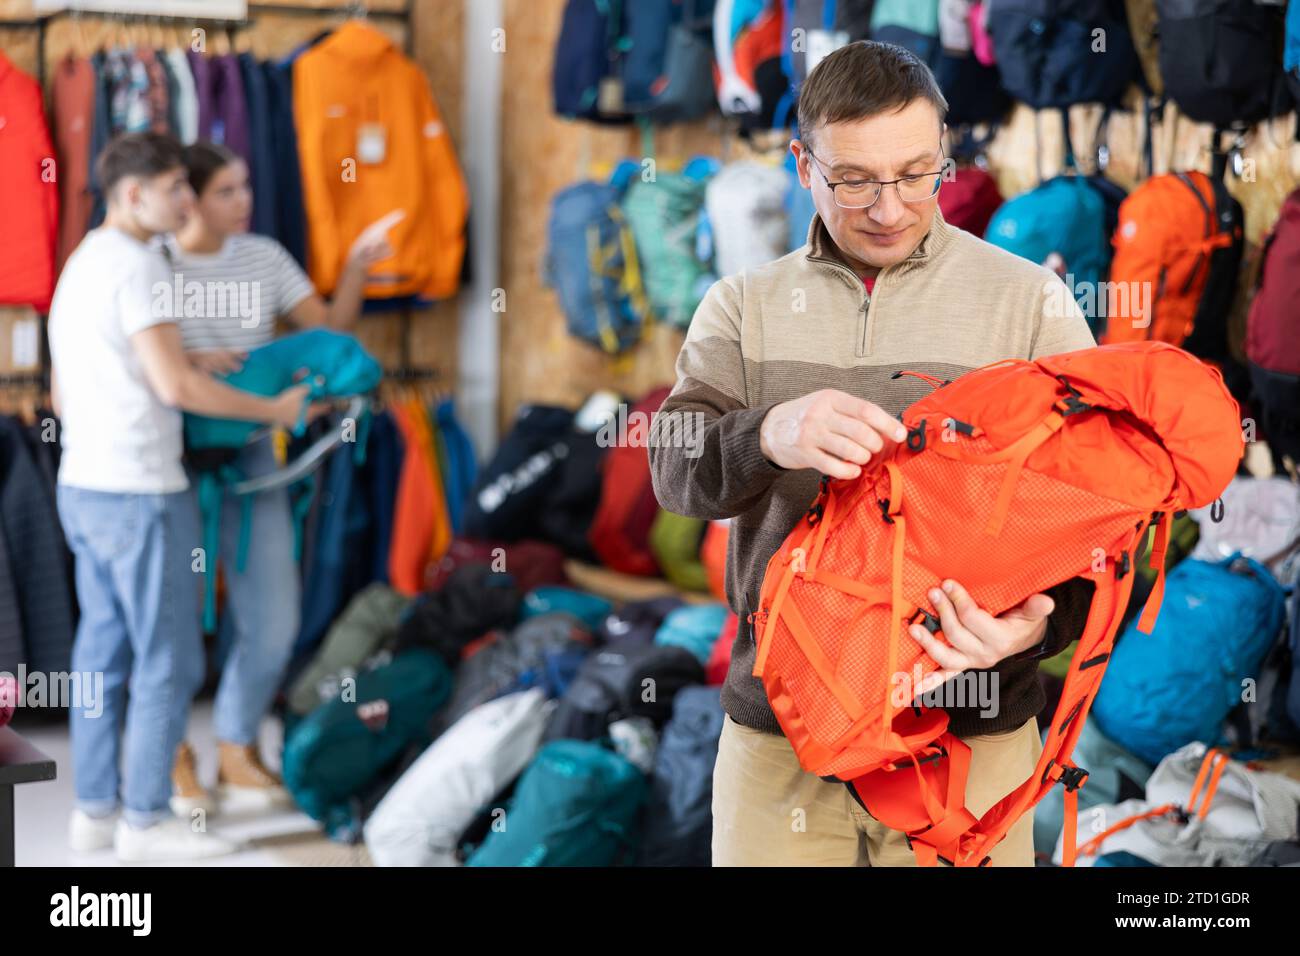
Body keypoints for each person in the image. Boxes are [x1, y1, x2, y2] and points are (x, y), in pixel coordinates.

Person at [648, 41, 1098, 867]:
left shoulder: (1031, 301)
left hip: (971, 735)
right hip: (780, 734)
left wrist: (1038, 625)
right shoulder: (741, 306)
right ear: (801, 163)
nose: (890, 207)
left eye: (918, 173)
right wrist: (768, 433)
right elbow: (673, 469)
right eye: (854, 179)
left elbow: (1093, 512)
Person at [50, 131, 309, 862]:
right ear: (135, 195)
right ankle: (148, 820)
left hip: (85, 486)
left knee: (100, 654)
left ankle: (96, 813)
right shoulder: (140, 266)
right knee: (169, 659)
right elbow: (175, 388)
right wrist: (276, 412)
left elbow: (70, 392)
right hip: (142, 490)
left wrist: (182, 356)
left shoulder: (84, 262)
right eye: (176, 189)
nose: (188, 200)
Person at [162, 141, 397, 815]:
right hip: (172, 463)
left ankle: (235, 745)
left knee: (274, 614)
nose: (245, 202)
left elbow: (328, 331)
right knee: (173, 621)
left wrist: (354, 267)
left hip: (258, 457)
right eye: (227, 192)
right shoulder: (158, 263)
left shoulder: (263, 256)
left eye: (246, 187)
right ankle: (172, 753)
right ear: (190, 198)